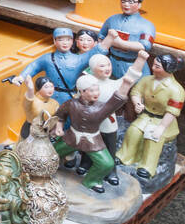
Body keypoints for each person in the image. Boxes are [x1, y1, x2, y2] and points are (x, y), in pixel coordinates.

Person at [46, 55, 146, 194]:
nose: (96, 93)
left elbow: (116, 101)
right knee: (50, 154)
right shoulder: (71, 103)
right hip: (71, 138)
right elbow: (60, 115)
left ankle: (92, 180)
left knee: (107, 163)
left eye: (97, 90)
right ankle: (46, 172)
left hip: (93, 141)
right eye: (92, 91)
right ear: (81, 91)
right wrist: (59, 127)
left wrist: (126, 85)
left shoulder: (100, 107)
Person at [116, 51, 185, 180]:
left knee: (153, 138)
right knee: (133, 131)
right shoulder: (147, 80)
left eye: (157, 67)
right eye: (153, 65)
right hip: (145, 116)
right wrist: (137, 103)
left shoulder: (176, 89)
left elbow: (172, 112)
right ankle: (125, 156)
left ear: (168, 69)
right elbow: (136, 91)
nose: (153, 68)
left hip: (163, 121)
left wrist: (161, 128)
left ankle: (147, 167)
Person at [97, 0, 156, 80]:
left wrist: (121, 43)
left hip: (133, 66)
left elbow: (145, 46)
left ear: (139, 4)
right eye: (123, 0)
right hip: (110, 63)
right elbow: (101, 35)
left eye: (131, 1)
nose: (126, 4)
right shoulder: (112, 19)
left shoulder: (147, 25)